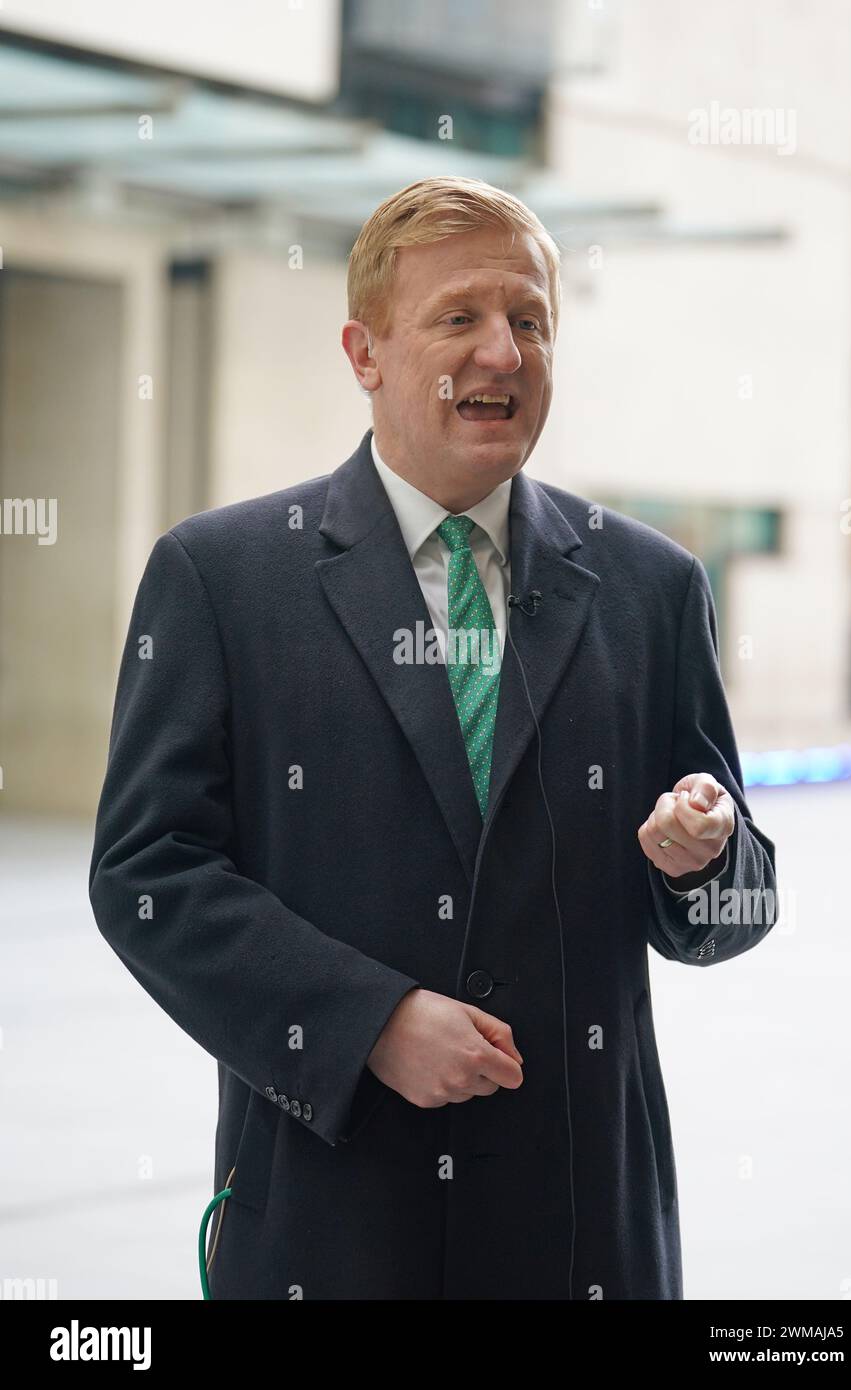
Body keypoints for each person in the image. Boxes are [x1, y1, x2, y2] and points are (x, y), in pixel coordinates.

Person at [88, 175, 778, 1300]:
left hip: (578, 1233)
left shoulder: (652, 588)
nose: (504, 352)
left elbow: (735, 905)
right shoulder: (223, 579)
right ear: (364, 351)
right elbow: (145, 874)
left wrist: (706, 861)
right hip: (334, 1221)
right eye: (460, 317)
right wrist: (366, 1024)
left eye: (531, 319)